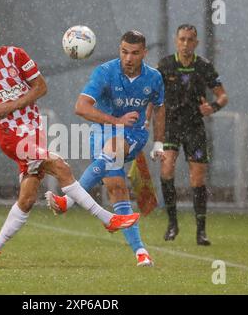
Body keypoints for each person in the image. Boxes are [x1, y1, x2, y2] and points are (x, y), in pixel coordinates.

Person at [0, 19, 140, 267]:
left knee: (27, 199)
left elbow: (41, 88)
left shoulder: (15, 56)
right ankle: (108, 219)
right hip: (11, 137)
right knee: (61, 167)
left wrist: (10, 105)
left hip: (34, 133)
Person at [45, 30, 166, 266]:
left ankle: (67, 201)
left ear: (144, 53)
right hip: (103, 131)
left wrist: (159, 142)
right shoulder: (105, 72)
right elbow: (81, 107)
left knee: (114, 147)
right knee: (118, 189)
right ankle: (141, 252)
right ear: (119, 49)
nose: (128, 58)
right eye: (124, 52)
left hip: (134, 133)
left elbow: (159, 108)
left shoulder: (154, 78)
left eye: (134, 53)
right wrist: (116, 121)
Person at [156, 24, 228, 245]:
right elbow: (153, 97)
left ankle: (201, 231)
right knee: (167, 170)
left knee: (197, 178)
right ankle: (172, 223)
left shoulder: (204, 66)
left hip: (194, 127)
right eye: (182, 39)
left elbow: (223, 95)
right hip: (171, 126)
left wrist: (213, 107)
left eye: (190, 40)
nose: (186, 44)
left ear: (196, 43)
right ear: (176, 41)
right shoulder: (165, 65)